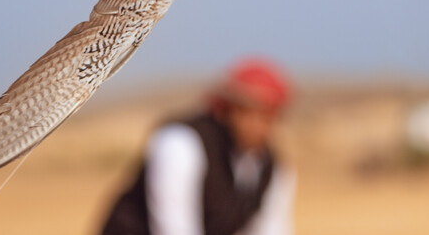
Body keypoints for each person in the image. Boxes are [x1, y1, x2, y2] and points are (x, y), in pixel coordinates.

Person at [99, 58, 295, 235]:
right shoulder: (180, 143)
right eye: (245, 111)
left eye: (266, 116)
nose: (255, 125)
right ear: (225, 109)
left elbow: (271, 228)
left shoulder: (272, 168)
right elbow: (173, 228)